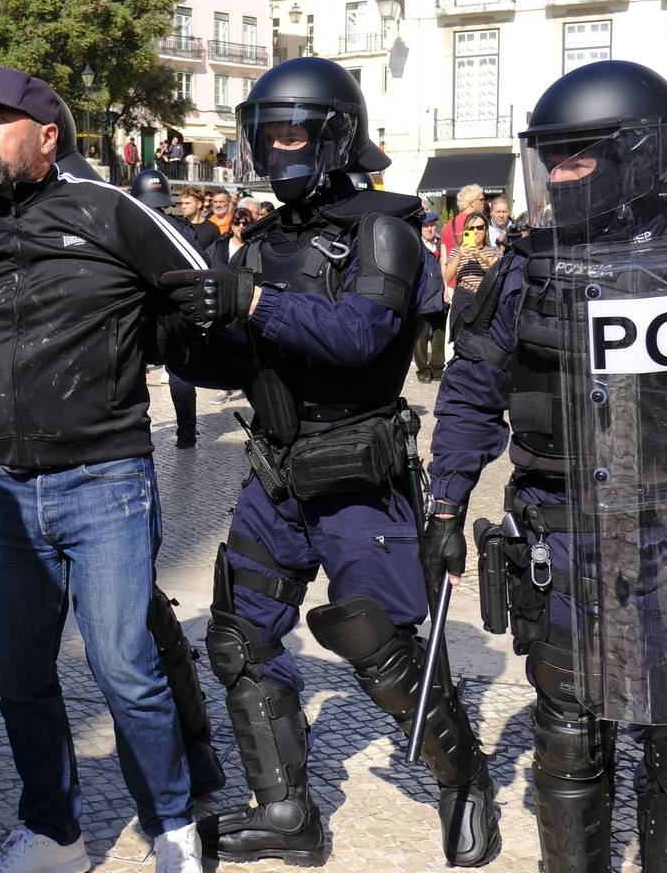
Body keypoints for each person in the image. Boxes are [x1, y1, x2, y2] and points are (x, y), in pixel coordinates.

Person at [433, 60, 667, 873]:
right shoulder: (527, 269)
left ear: (635, 156)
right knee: (568, 730)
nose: (557, 177)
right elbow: (469, 391)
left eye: (577, 158)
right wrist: (446, 505)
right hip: (561, 526)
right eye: (549, 159)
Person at [153, 56, 499, 868]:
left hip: (356, 478)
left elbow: (360, 337)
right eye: (267, 133)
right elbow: (241, 362)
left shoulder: (385, 228)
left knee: (378, 645)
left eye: (292, 132)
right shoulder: (266, 241)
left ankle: (464, 778)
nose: (277, 149)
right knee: (238, 640)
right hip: (275, 475)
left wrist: (252, 301)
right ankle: (285, 814)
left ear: (334, 133)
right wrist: (174, 337)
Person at [0, 66, 208, 873]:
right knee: (17, 676)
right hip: (8, 490)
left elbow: (200, 289)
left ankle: (173, 825)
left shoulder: (109, 211)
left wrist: (166, 340)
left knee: (125, 669)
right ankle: (55, 832)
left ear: (47, 137)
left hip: (108, 480)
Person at [134, 168, 201, 449]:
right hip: (173, 310)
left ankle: (137, 433)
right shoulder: (183, 228)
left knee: (133, 375)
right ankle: (186, 434)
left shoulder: (128, 227)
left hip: (137, 311)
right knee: (179, 374)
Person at [442, 209, 498, 338]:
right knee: (461, 338)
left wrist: (479, 254)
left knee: (482, 340)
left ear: (486, 230)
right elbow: (447, 276)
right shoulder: (456, 251)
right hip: (463, 298)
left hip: (485, 298)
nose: (476, 231)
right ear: (466, 231)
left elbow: (496, 270)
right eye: (471, 228)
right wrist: (460, 255)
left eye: (480, 227)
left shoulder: (493, 251)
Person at [413, 209, 446, 383]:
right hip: (423, 297)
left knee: (439, 337)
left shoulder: (441, 244)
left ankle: (437, 369)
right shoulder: (416, 245)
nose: (429, 229)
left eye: (432, 225)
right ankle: (423, 370)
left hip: (440, 297)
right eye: (426, 225)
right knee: (420, 337)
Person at [441, 182, 486, 256]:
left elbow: (443, 257)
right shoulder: (478, 224)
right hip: (471, 265)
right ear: (471, 203)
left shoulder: (448, 225)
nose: (484, 203)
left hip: (452, 266)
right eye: (481, 200)